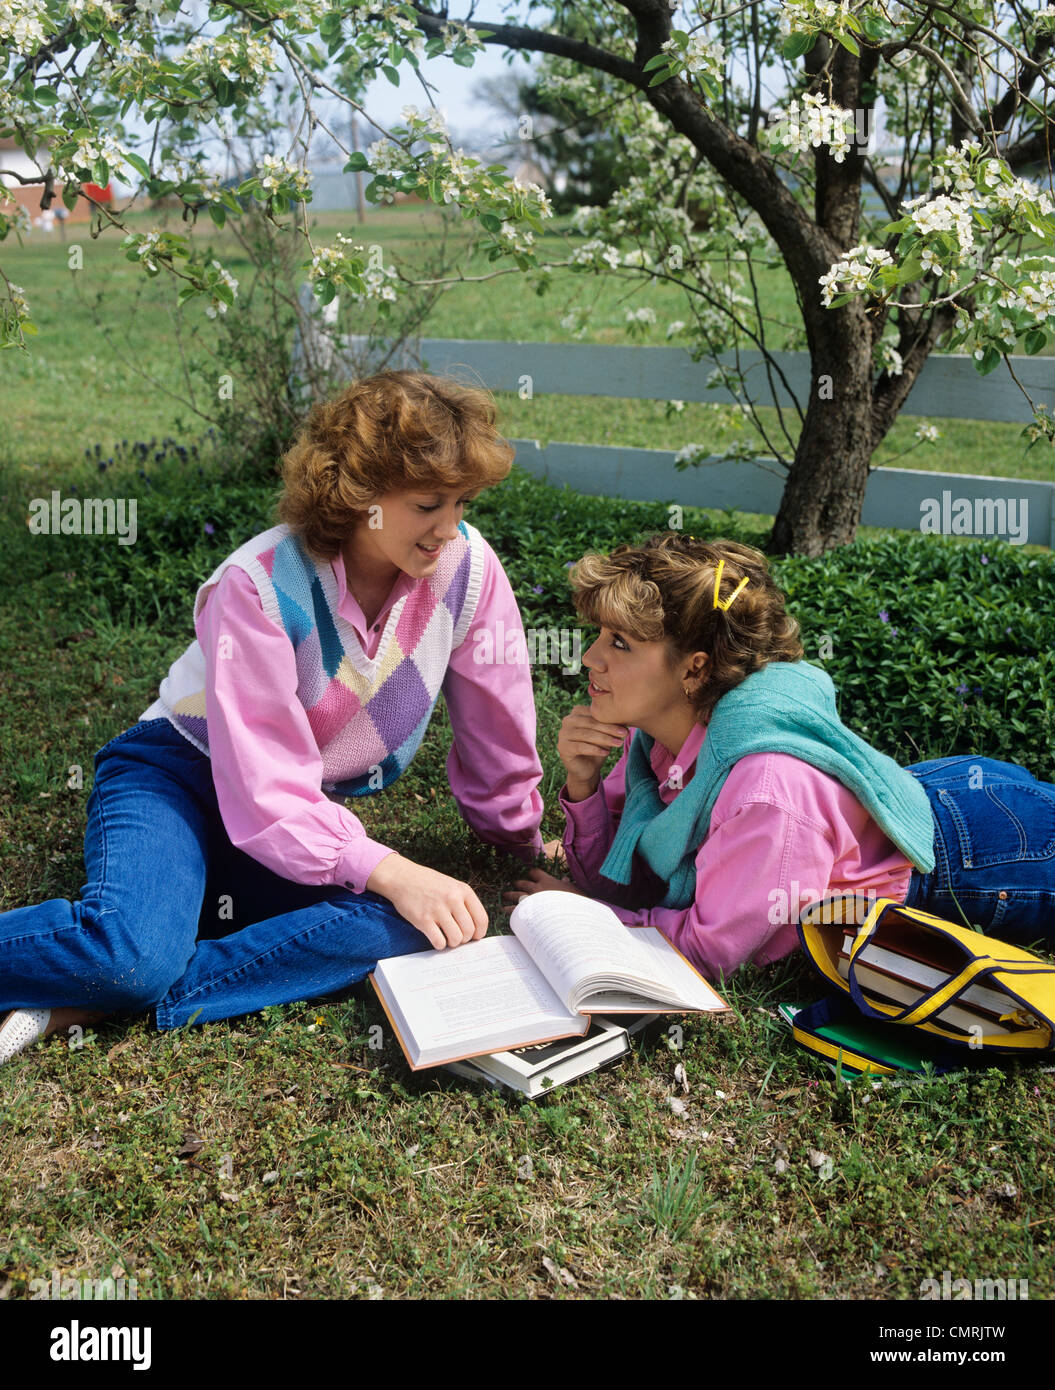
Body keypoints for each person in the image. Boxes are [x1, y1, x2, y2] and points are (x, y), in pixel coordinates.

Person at [0, 371, 543, 1064]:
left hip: (286, 813)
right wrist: (390, 866)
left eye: (463, 501)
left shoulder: (468, 567)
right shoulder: (255, 585)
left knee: (408, 924)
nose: (449, 527)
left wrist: (520, 840)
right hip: (175, 776)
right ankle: (124, 974)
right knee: (125, 950)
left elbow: (497, 725)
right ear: (357, 491)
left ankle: (111, 994)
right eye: (427, 504)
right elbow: (264, 781)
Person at [510, 533, 1055, 980]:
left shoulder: (766, 791)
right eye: (599, 636)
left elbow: (712, 953)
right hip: (926, 796)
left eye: (620, 643)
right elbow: (624, 876)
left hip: (983, 851)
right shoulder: (657, 738)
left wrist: (589, 918)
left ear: (694, 669)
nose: (589, 658)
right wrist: (582, 785)